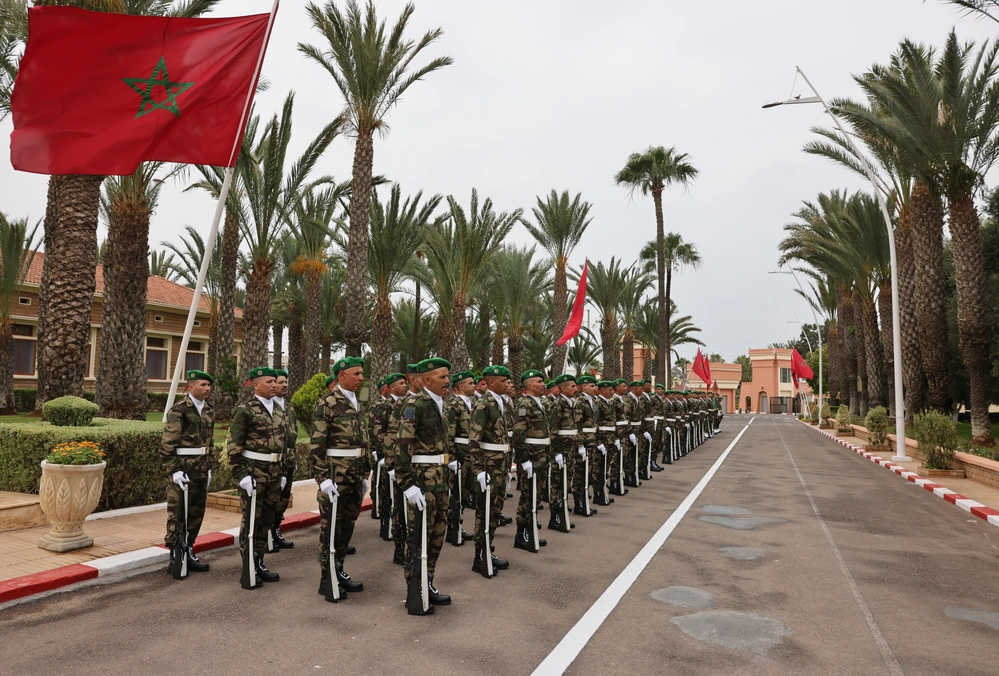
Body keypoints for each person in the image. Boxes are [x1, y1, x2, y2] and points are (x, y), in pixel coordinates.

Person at [396, 358, 454, 614]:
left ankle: (427, 581)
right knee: (418, 535)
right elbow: (402, 445)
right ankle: (414, 588)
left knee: (437, 534)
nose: (447, 381)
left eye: (448, 376)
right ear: (427, 380)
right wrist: (407, 484)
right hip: (422, 481)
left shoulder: (444, 404)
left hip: (440, 479)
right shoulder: (415, 404)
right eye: (442, 377)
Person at [311, 357, 368, 601]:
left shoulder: (358, 402)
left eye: (361, 374)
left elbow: (362, 441)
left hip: (355, 475)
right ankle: (327, 577)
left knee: (347, 525)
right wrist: (322, 478)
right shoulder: (327, 403)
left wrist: (365, 473)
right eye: (355, 374)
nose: (361, 378)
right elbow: (317, 444)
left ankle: (339, 568)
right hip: (335, 476)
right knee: (331, 528)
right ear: (341, 375)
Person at [227, 367, 285, 588]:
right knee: (251, 520)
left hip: (274, 473)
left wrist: (283, 472)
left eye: (275, 381)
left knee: (266, 520)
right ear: (256, 385)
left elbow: (283, 444)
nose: (274, 385)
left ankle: (259, 561)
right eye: (269, 381)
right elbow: (234, 446)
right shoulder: (246, 410)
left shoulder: (278, 410)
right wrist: (241, 475)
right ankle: (248, 564)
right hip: (254, 473)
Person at [160, 369, 215, 576]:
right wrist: (174, 471)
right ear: (191, 387)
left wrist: (209, 468)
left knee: (196, 512)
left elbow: (210, 443)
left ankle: (189, 549)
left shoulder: (209, 411)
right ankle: (175, 554)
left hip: (201, 470)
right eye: (203, 385)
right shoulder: (179, 410)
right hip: (183, 469)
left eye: (208, 386)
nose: (207, 389)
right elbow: (167, 445)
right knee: (177, 513)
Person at [467, 365, 514, 576]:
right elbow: (474, 439)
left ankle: (488, 547)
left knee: (495, 510)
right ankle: (480, 554)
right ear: (491, 382)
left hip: (501, 464)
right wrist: (478, 470)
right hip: (488, 465)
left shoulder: (503, 402)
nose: (507, 384)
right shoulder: (483, 404)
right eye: (503, 381)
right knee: (484, 511)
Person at [513, 369, 551, 551]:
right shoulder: (524, 403)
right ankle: (522, 534)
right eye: (539, 381)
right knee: (528, 496)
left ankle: (531, 530)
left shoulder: (540, 402)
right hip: (532, 457)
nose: (543, 384)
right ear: (529, 385)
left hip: (542, 456)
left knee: (536, 495)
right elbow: (518, 434)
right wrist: (523, 459)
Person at [445, 370, 476, 545]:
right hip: (459, 456)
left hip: (470, 456)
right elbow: (449, 433)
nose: (474, 386)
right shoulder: (454, 404)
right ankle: (451, 527)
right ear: (461, 386)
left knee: (465, 493)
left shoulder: (472, 403)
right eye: (471, 383)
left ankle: (457, 523)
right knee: (455, 493)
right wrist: (451, 458)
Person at [271, 369, 297, 550]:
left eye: (285, 382)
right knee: (271, 499)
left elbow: (292, 436)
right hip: (273, 462)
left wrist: (293, 460)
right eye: (280, 382)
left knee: (283, 498)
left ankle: (275, 529)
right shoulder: (268, 407)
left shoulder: (289, 408)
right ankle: (266, 534)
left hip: (288, 460)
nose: (284, 385)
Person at [572, 374, 599, 516]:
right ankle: (579, 503)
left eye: (595, 386)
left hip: (592, 441)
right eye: (591, 386)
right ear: (583, 387)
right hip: (584, 443)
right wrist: (580, 445)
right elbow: (578, 425)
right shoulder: (580, 402)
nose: (595, 388)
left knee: (588, 473)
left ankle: (584, 500)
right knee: (580, 473)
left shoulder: (593, 400)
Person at [594, 381, 617, 503]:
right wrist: (598, 442)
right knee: (599, 468)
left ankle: (603, 492)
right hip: (602, 440)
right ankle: (598, 494)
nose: (612, 392)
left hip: (609, 439)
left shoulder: (609, 403)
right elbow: (595, 424)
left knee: (605, 467)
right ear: (603, 391)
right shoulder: (598, 403)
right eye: (610, 390)